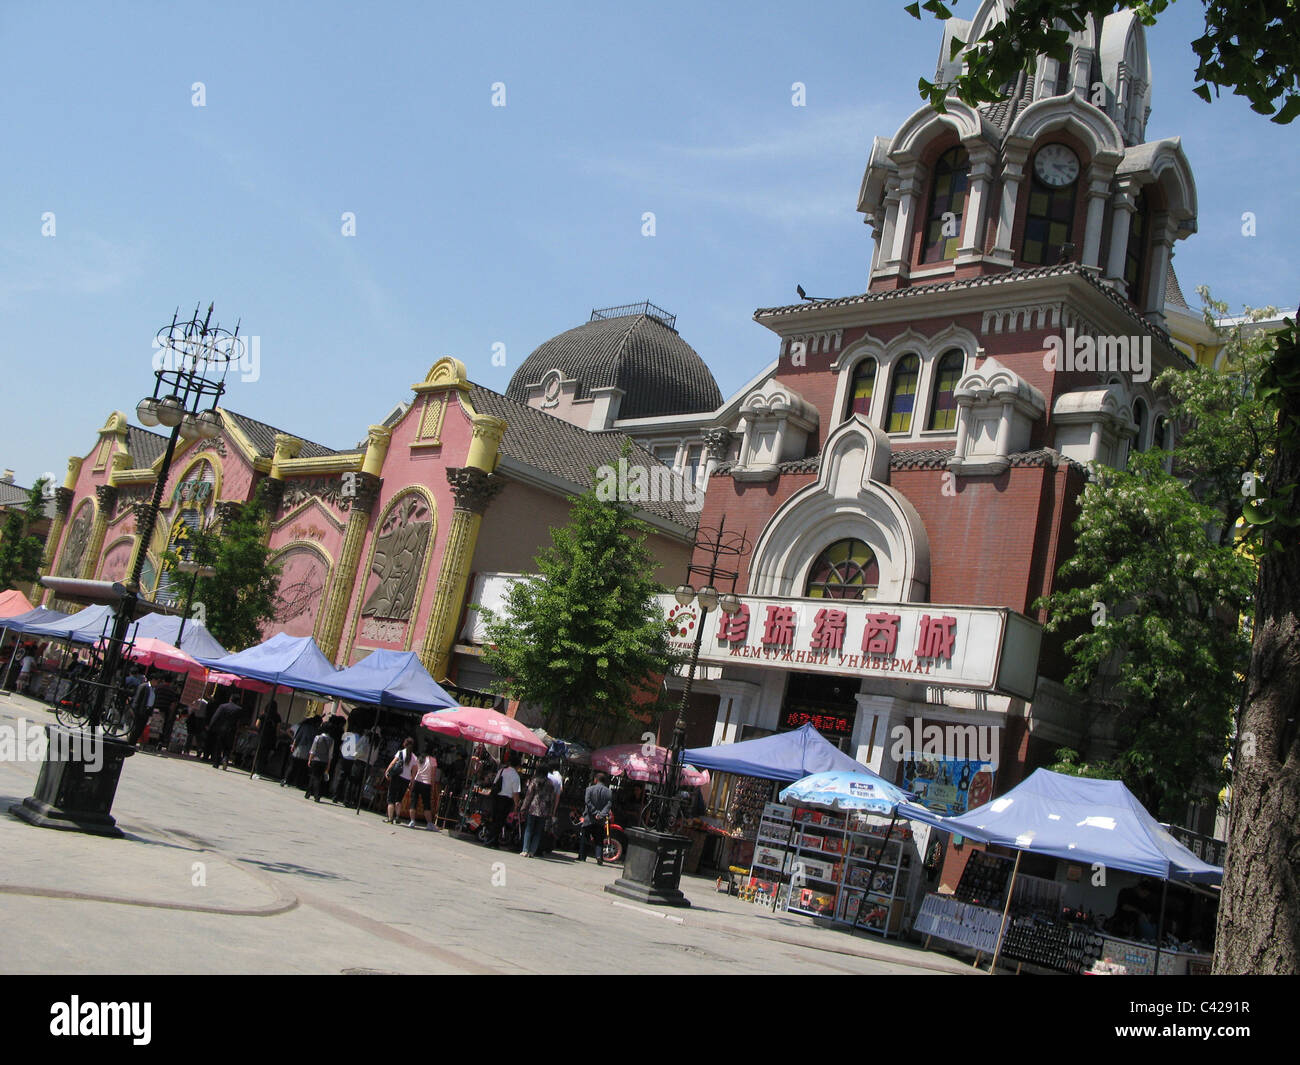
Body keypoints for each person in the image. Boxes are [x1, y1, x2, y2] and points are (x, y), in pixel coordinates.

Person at [486, 752, 521, 849]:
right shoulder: (516, 776)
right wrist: (516, 805)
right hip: (506, 800)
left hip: (496, 797)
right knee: (500, 821)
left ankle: (493, 840)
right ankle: (491, 840)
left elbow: (495, 783)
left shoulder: (501, 771)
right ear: (518, 765)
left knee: (495, 819)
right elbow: (516, 793)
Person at [578, 771, 613, 864]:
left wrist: (594, 812)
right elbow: (608, 806)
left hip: (589, 818)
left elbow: (587, 802)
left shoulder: (589, 789)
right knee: (599, 840)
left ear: (595, 780)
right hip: (600, 820)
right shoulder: (609, 792)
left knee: (585, 837)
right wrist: (600, 814)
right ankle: (598, 856)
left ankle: (582, 856)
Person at [519, 770, 555, 858]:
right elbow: (551, 799)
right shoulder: (550, 783)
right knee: (538, 832)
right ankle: (532, 851)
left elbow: (529, 795)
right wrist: (550, 812)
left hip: (533, 808)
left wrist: (523, 808)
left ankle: (525, 850)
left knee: (529, 829)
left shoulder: (535, 781)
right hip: (544, 810)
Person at [205, 693, 242, 769]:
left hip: (221, 729)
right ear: (238, 701)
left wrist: (210, 726)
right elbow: (239, 721)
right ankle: (225, 759)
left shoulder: (223, 706)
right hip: (232, 730)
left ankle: (216, 763)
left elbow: (215, 717)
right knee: (228, 747)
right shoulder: (239, 709)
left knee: (219, 746)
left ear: (230, 699)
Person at [383, 738, 416, 824]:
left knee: (391, 798)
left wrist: (387, 771)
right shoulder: (414, 757)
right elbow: (414, 772)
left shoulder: (400, 752)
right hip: (406, 780)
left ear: (404, 744)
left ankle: (390, 818)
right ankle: (397, 817)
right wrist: (411, 782)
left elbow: (393, 763)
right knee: (399, 799)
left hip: (397, 777)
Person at [282, 715, 318, 788]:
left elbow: (297, 737)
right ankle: (298, 783)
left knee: (292, 765)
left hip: (299, 748)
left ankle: (286, 780)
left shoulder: (303, 727)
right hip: (308, 751)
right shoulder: (315, 730)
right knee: (302, 768)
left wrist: (293, 746)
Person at [408, 748, 439, 830]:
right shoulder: (433, 760)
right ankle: (429, 823)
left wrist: (412, 781)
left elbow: (414, 771)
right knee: (426, 804)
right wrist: (432, 786)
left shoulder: (419, 758)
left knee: (413, 802)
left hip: (417, 782)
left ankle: (412, 821)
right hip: (426, 784)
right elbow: (433, 775)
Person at [252, 700, 281, 779]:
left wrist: (261, 730)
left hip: (262, 737)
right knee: (265, 755)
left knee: (259, 754)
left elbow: (257, 725)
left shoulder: (263, 715)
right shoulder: (277, 717)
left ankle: (256, 770)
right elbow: (278, 730)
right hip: (271, 739)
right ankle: (261, 771)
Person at [304, 727, 334, 802]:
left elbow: (313, 750)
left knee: (313, 776)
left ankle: (310, 793)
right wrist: (328, 765)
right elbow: (330, 754)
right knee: (319, 778)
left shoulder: (317, 737)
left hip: (316, 759)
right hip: (324, 761)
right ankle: (315, 795)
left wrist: (310, 759)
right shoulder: (331, 740)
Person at [128, 672, 156, 745]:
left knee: (140, 729)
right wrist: (135, 710)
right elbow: (137, 698)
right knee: (136, 728)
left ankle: (133, 742)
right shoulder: (144, 686)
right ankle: (131, 743)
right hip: (140, 711)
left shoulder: (153, 689)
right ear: (153, 680)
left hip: (147, 711)